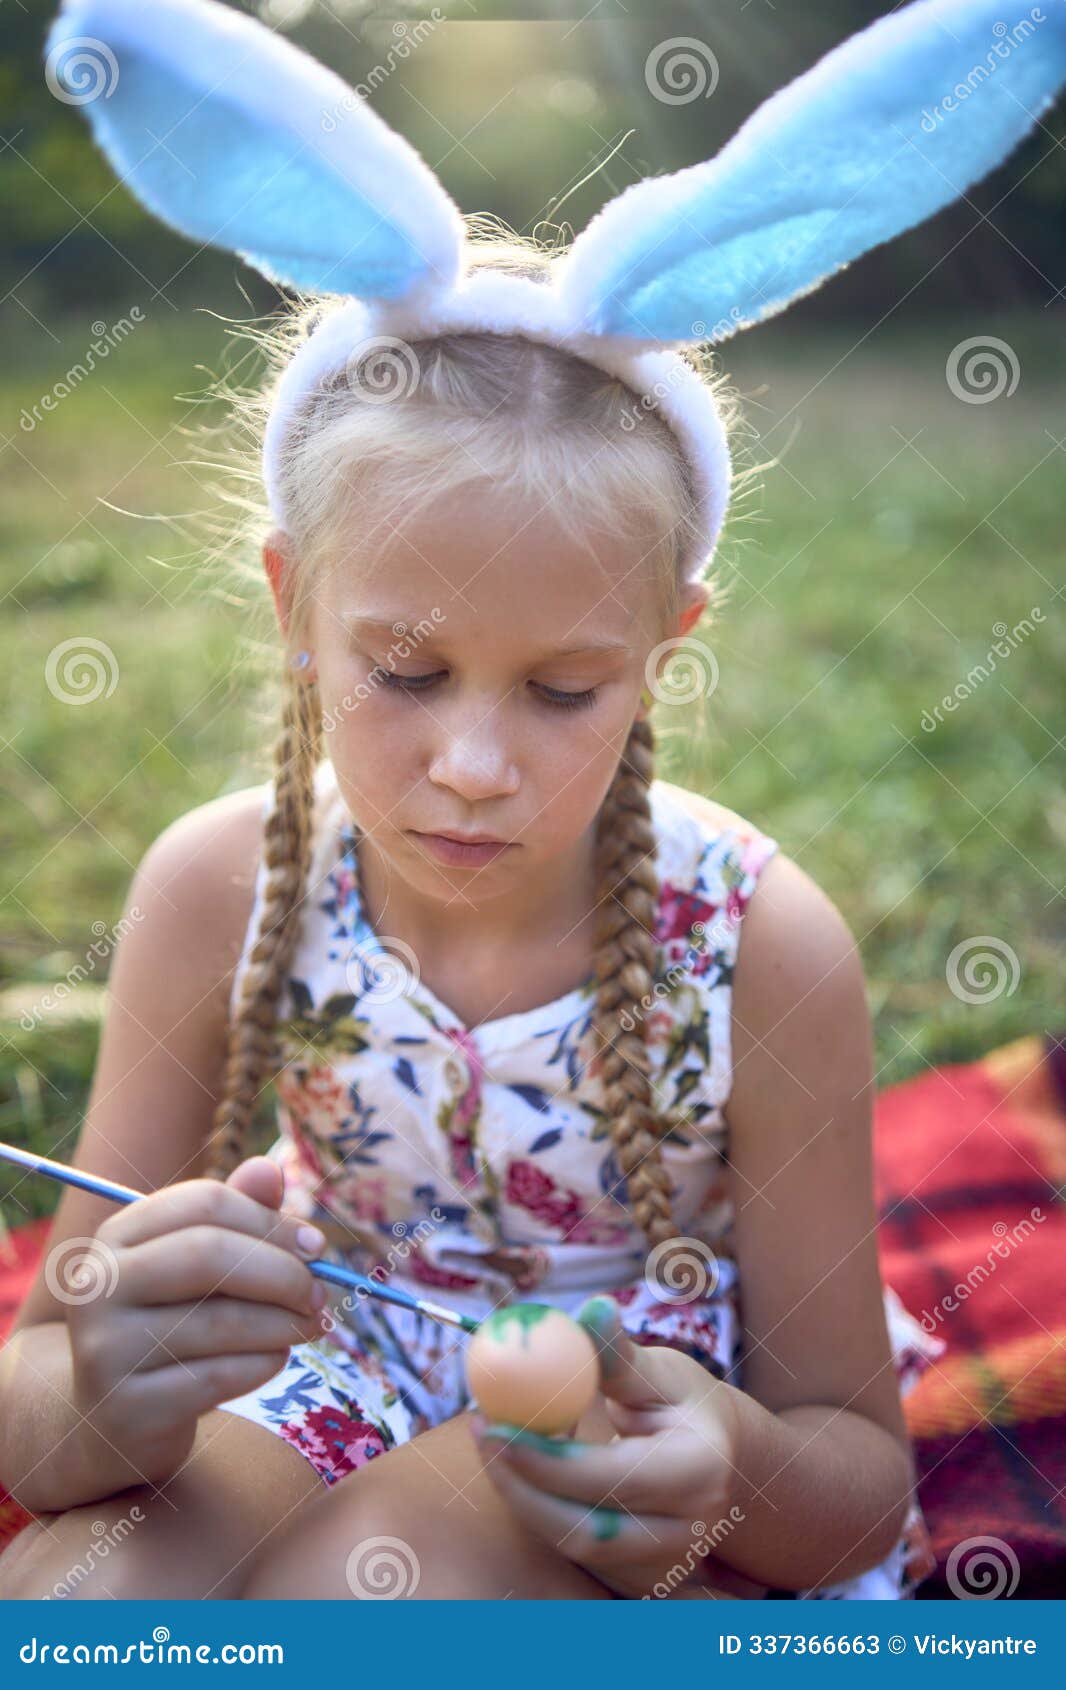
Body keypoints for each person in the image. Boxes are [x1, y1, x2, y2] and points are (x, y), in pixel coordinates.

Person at [4, 0, 1061, 1601]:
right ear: (295, 606)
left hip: (617, 1437)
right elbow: (40, 1410)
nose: (475, 764)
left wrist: (728, 1473)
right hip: (321, 1375)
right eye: (406, 671)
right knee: (80, 1601)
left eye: (562, 690)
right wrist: (100, 1384)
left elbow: (852, 1488)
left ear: (662, 646)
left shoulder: (759, 947)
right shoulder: (217, 890)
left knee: (369, 1590)